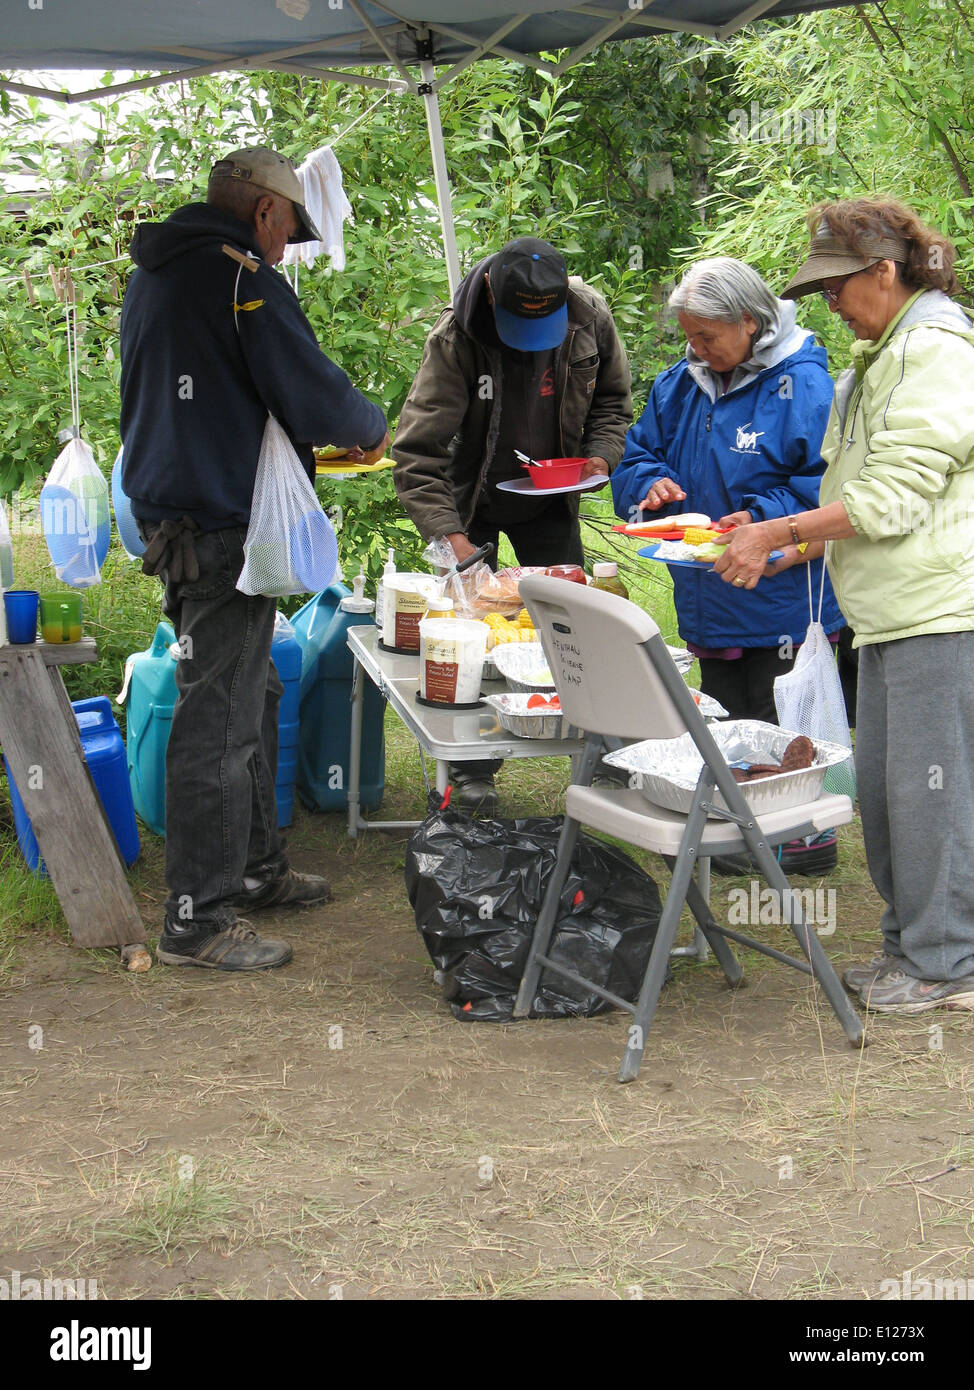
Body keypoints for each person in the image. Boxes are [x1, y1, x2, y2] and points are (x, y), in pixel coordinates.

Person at [120, 146, 389, 972]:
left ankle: (255, 866)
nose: (284, 250)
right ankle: (196, 921)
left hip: (173, 521)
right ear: (265, 212)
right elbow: (308, 390)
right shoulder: (239, 276)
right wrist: (370, 426)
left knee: (253, 688)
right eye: (286, 230)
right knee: (219, 723)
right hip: (223, 530)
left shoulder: (155, 272)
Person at [714, 198, 974, 1014]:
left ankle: (946, 965)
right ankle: (910, 949)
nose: (829, 303)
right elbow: (861, 496)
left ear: (885, 271)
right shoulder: (886, 352)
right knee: (893, 797)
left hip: (942, 609)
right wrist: (789, 544)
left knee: (932, 797)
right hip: (893, 611)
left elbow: (894, 499)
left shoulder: (934, 351)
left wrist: (780, 529)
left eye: (838, 286)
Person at [611, 257, 843, 874]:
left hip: (781, 592)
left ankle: (800, 838)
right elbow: (635, 455)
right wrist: (651, 484)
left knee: (779, 717)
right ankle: (738, 832)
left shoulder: (805, 386)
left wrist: (760, 517)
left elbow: (828, 486)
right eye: (689, 336)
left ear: (749, 321)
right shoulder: (679, 384)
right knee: (722, 715)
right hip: (708, 587)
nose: (697, 348)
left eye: (707, 337)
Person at [392, 235, 632, 812]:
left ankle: (604, 755)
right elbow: (416, 451)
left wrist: (599, 457)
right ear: (495, 294)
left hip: (550, 499)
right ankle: (473, 772)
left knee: (576, 626)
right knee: (474, 632)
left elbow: (612, 401)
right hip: (469, 505)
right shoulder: (456, 338)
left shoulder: (588, 314)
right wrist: (453, 542)